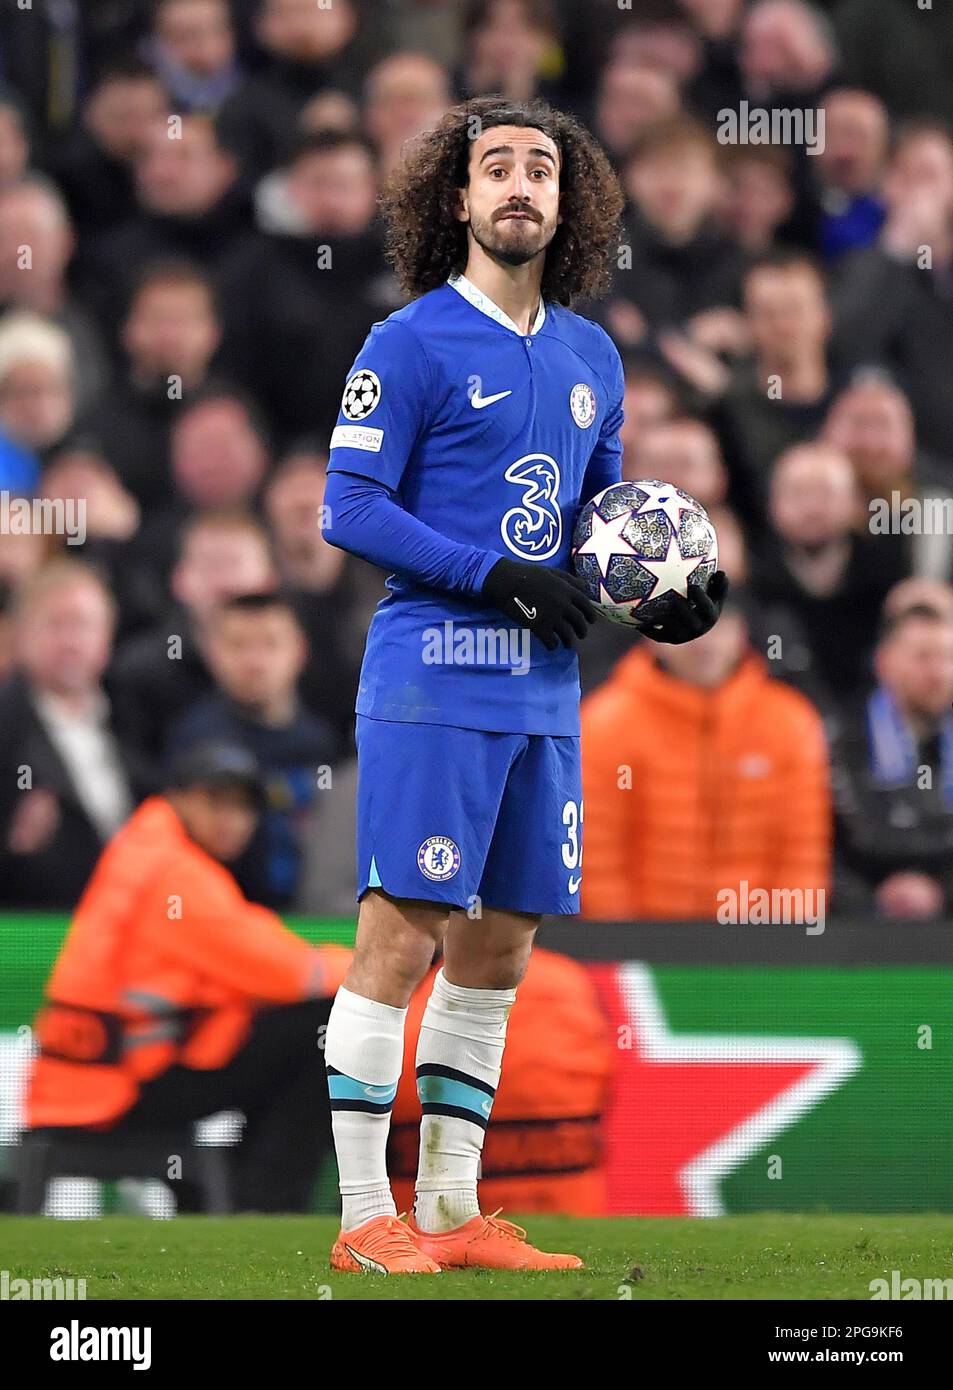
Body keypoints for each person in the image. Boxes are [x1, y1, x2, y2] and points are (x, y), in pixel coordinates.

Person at [320, 94, 727, 1274]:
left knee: (498, 949)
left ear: (568, 203)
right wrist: (492, 573)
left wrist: (656, 596)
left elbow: (596, 529)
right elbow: (348, 509)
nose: (516, 186)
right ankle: (361, 1221)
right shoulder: (404, 343)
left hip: (541, 693)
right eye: (492, 167)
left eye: (538, 170)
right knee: (400, 938)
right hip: (433, 677)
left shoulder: (592, 355)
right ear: (455, 199)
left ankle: (449, 1212)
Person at [25, 740, 350, 1213]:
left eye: (244, 807)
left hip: (96, 1077)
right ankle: (263, 1202)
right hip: (111, 1088)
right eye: (215, 800)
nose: (232, 819)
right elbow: (286, 971)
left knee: (288, 1030)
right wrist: (371, 969)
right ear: (176, 796)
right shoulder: (174, 871)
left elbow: (243, 958)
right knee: (322, 1025)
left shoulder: (146, 848)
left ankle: (241, 1193)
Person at [580, 593, 830, 920]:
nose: (702, 640)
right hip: (643, 950)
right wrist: (621, 947)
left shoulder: (791, 722)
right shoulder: (605, 723)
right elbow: (599, 858)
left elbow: (802, 856)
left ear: (742, 631)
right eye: (681, 624)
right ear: (650, 634)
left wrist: (789, 946)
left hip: (763, 951)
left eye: (718, 623)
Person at [165, 592, 337, 908]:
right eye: (238, 645)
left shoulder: (322, 740)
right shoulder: (196, 740)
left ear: (299, 650)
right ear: (211, 651)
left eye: (270, 644)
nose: (254, 661)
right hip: (221, 916)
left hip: (316, 917)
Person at [0, 560, 146, 909]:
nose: (70, 641)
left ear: (107, 636)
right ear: (18, 636)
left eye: (82, 624)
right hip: (32, 937)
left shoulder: (137, 715)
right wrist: (16, 848)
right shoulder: (7, 726)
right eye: (54, 625)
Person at [828, 605, 953, 919]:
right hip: (857, 931)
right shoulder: (842, 741)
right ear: (884, 663)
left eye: (947, 657)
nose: (938, 672)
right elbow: (833, 847)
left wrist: (941, 891)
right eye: (922, 656)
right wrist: (872, 900)